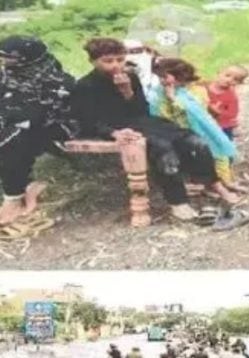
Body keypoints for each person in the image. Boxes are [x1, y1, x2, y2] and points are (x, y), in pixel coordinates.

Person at [71, 38, 218, 221]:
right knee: (161, 148)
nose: (116, 65)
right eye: (108, 61)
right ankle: (177, 201)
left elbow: (141, 109)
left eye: (120, 59)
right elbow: (87, 120)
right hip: (108, 127)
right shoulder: (86, 85)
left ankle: (203, 183)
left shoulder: (131, 76)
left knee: (190, 139)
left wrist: (127, 91)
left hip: (138, 121)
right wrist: (113, 133)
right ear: (93, 62)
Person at [0, 36, 77, 228]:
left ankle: (13, 200)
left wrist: (9, 116)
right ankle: (25, 186)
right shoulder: (7, 77)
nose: (5, 62)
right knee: (12, 134)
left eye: (10, 58)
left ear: (28, 59)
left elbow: (39, 116)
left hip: (57, 128)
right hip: (22, 126)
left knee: (12, 139)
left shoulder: (57, 82)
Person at [148, 57, 240, 205]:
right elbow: (159, 116)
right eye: (161, 78)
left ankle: (218, 184)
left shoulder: (190, 91)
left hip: (192, 131)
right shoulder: (155, 94)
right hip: (168, 132)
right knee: (176, 153)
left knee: (206, 149)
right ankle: (198, 186)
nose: (163, 81)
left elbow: (195, 112)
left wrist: (173, 98)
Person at [207, 64, 249, 142]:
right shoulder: (207, 86)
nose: (229, 80)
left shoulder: (231, 96)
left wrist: (218, 111)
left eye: (235, 79)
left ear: (238, 83)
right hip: (206, 120)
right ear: (219, 73)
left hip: (223, 125)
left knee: (224, 141)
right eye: (227, 75)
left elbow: (233, 113)